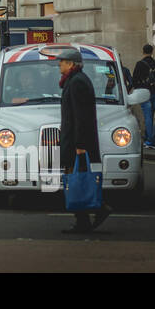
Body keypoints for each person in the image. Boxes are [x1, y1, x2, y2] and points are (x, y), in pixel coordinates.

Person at [54, 46, 111, 233]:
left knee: (78, 179)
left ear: (71, 64)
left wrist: (80, 144)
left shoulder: (77, 82)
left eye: (62, 62)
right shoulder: (74, 80)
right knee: (77, 178)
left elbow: (81, 116)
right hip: (74, 139)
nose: (59, 65)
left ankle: (97, 210)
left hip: (76, 142)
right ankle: (83, 220)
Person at [131, 45, 155, 149]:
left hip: (145, 93)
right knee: (153, 116)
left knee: (148, 117)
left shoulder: (140, 64)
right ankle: (153, 138)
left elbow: (134, 80)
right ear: (152, 51)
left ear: (143, 51)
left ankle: (150, 140)